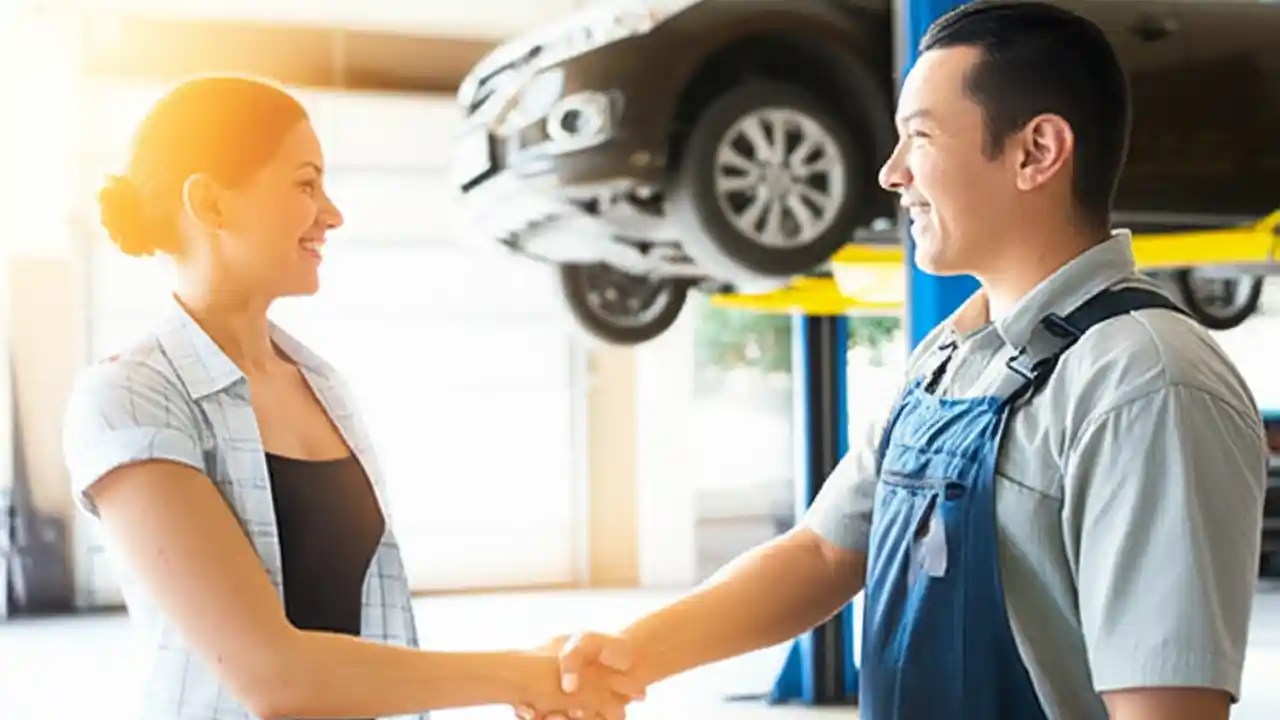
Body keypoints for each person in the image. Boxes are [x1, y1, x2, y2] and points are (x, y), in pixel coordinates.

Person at [521, 2, 1270, 720]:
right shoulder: (948, 358)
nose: (891, 173)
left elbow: (1165, 708)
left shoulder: (1144, 380)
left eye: (920, 137)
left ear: (1035, 151)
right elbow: (821, 555)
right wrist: (626, 656)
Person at [61, 74, 640, 720]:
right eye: (306, 184)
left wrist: (532, 679)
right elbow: (274, 677)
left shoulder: (322, 384)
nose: (332, 213)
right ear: (213, 204)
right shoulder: (129, 398)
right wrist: (521, 676)